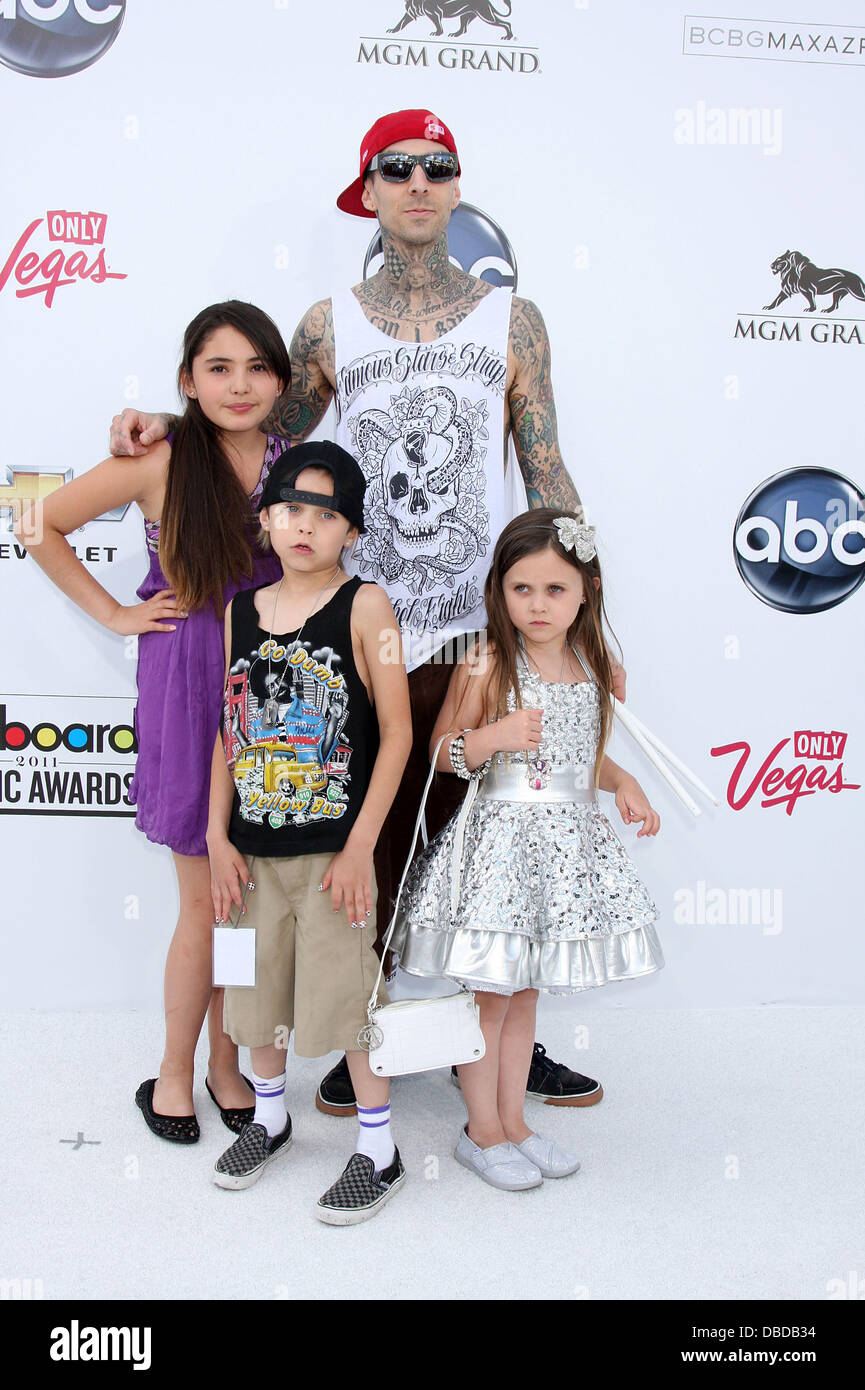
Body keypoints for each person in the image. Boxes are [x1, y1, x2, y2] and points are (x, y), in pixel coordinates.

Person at [108, 108, 620, 1113]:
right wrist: (161, 430)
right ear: (368, 192)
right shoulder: (323, 324)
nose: (419, 183)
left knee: (503, 848)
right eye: (398, 168)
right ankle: (361, 1050)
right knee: (369, 853)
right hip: (364, 625)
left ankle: (509, 1044)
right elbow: (258, 434)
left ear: (456, 185)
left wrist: (575, 603)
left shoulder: (512, 321)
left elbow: (544, 465)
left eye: (437, 167)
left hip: (482, 638)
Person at [15, 301, 292, 1143]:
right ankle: (175, 1070)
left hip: (276, 684)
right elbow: (41, 523)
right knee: (205, 900)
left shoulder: (301, 460)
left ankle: (225, 1060)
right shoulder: (161, 460)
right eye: (218, 368)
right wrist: (114, 614)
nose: (239, 385)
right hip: (190, 673)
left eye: (256, 368)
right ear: (187, 381)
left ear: (283, 380)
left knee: (250, 901)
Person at [388, 510, 664, 1189]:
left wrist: (623, 780)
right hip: (502, 847)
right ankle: (480, 1134)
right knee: (490, 994)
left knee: (526, 995)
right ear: (499, 591)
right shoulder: (487, 659)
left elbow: (582, 754)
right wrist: (494, 737)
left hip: (564, 854)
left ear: (586, 592)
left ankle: (513, 1124)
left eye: (554, 590)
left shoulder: (589, 664)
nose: (538, 606)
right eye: (522, 590)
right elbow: (442, 753)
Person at [206, 442, 411, 1222]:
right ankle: (269, 1118)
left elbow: (395, 732)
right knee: (254, 996)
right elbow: (229, 731)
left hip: (331, 854)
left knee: (348, 1000)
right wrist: (217, 837)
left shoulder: (368, 607)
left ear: (350, 531)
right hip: (251, 855)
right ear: (267, 518)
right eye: (291, 508)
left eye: (325, 515)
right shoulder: (240, 610)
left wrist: (360, 846)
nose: (305, 526)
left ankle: (379, 1150)